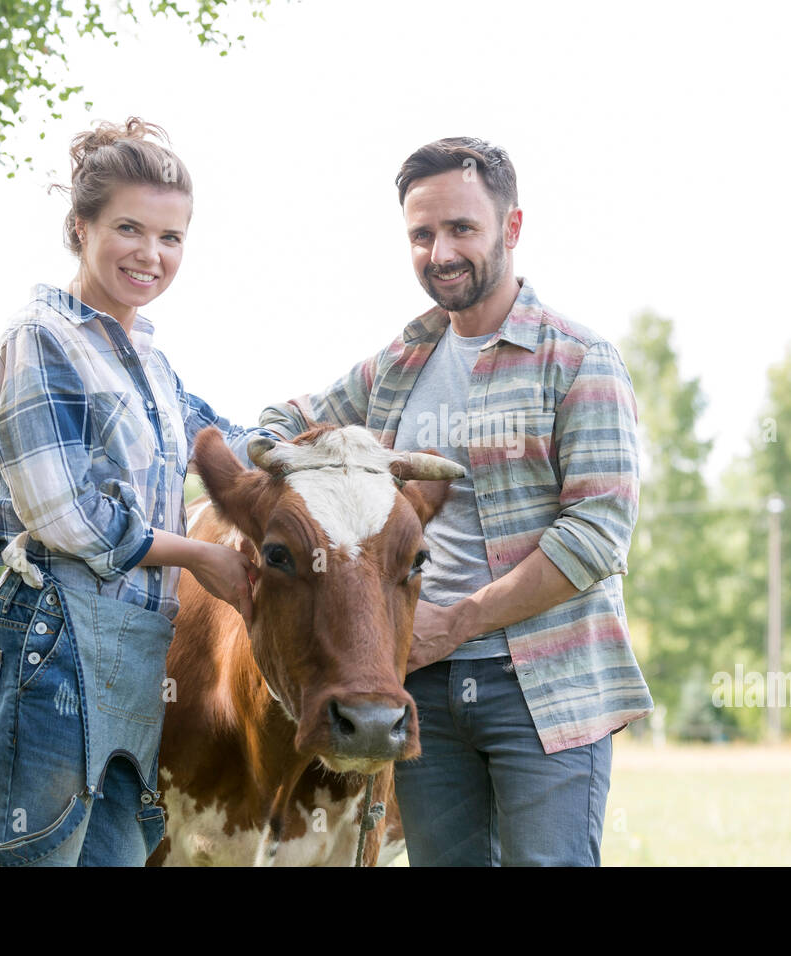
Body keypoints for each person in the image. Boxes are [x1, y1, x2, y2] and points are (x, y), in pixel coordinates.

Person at [259, 137, 654, 866]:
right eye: (421, 234)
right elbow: (277, 424)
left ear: (511, 228)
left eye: (461, 229)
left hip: (544, 682)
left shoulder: (579, 360)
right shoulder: (397, 367)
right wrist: (302, 466)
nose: (439, 251)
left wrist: (460, 620)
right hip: (420, 686)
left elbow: (597, 533)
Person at [0, 117, 274, 866]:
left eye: (171, 237)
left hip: (134, 656)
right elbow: (68, 518)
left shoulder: (147, 358)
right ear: (79, 226)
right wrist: (199, 556)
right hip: (51, 643)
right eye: (129, 228)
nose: (150, 255)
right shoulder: (39, 339)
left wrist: (328, 449)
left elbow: (216, 436)